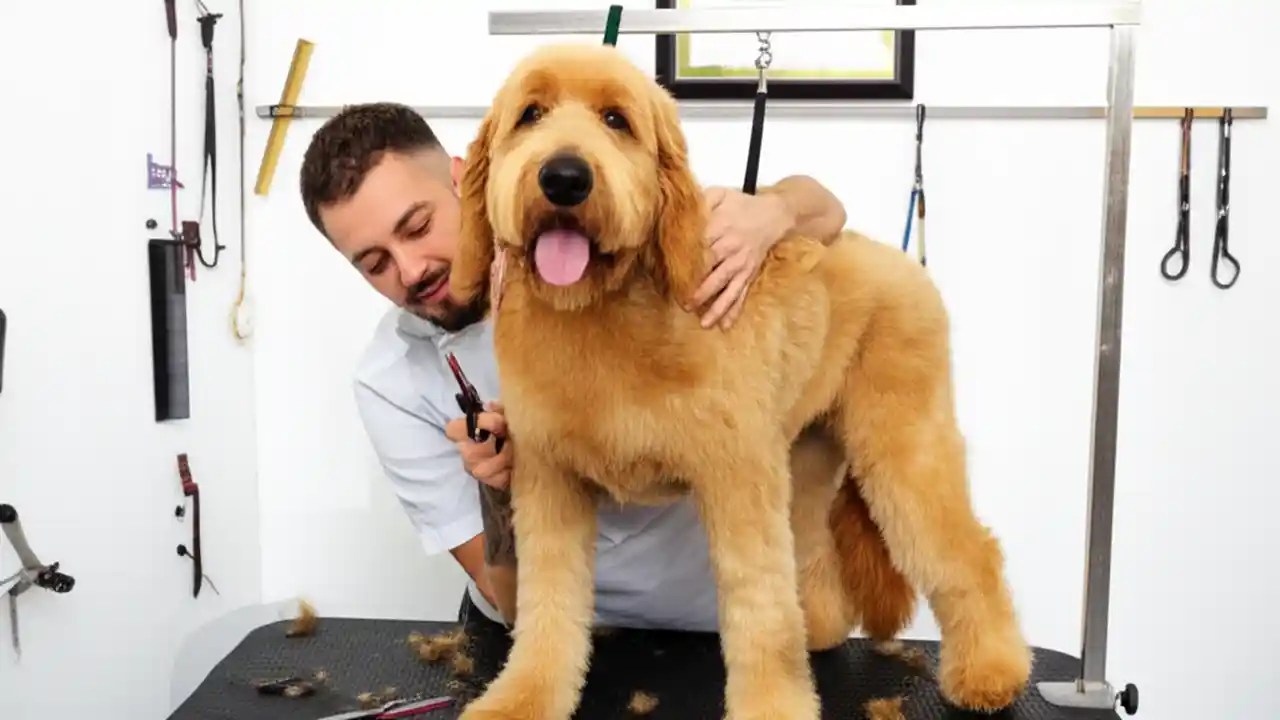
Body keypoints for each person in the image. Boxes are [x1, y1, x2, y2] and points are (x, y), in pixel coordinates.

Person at [299, 101, 848, 635]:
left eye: (418, 227)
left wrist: (772, 214)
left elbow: (827, 212)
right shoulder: (389, 381)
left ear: (465, 181)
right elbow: (505, 597)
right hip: (556, 638)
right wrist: (500, 492)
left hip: (714, 621)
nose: (411, 270)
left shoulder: (614, 242)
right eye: (375, 264)